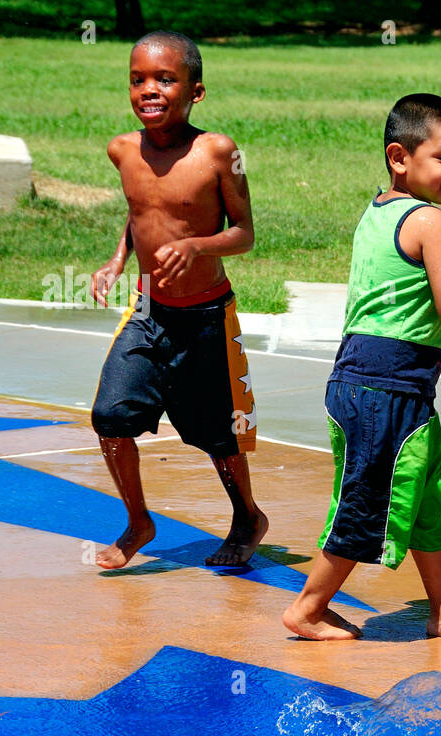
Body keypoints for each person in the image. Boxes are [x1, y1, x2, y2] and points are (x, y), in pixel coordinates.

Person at [283, 93, 441, 642]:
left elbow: (413, 294)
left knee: (427, 499)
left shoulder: (380, 210)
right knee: (368, 503)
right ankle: (307, 609)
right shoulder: (430, 220)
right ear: (399, 157)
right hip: (384, 391)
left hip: (381, 385)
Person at [89, 31, 267, 570]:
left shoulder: (217, 152)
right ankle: (138, 521)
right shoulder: (123, 150)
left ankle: (247, 518)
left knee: (219, 434)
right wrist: (117, 259)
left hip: (207, 317)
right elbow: (141, 211)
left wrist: (197, 245)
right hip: (148, 313)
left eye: (165, 79)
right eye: (138, 79)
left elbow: (244, 232)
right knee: (109, 416)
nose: (150, 89)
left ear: (197, 91)